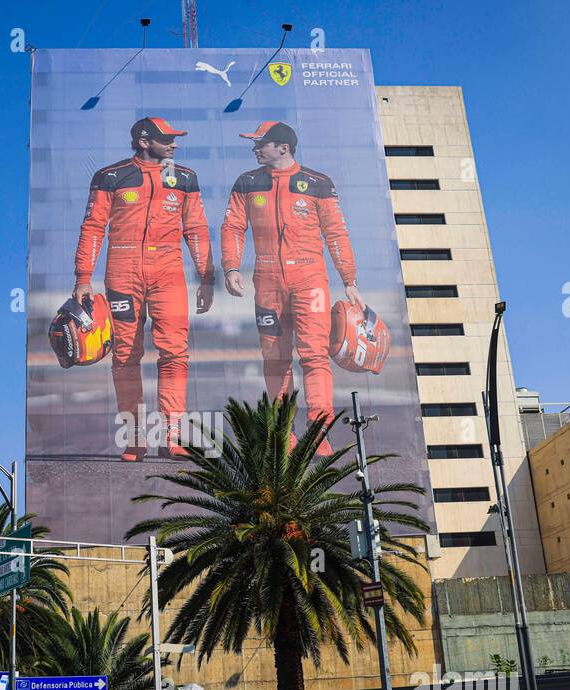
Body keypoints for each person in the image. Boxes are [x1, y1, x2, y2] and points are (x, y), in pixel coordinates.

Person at [73, 116, 216, 461]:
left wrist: (206, 277)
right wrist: (82, 277)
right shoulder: (110, 176)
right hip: (123, 272)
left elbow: (195, 229)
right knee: (125, 356)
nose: (174, 144)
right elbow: (93, 227)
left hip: (168, 273)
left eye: (175, 138)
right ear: (142, 140)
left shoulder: (185, 178)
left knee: (175, 353)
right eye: (167, 138)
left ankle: (174, 436)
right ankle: (135, 436)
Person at [221, 120, 363, 455]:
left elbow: (337, 235)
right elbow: (232, 227)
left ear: (283, 147)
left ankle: (318, 433)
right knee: (275, 360)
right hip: (267, 282)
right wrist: (231, 267)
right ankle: (284, 435)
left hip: (310, 280)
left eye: (261, 143)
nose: (255, 148)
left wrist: (350, 281)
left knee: (314, 355)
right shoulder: (246, 182)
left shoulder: (318, 184)